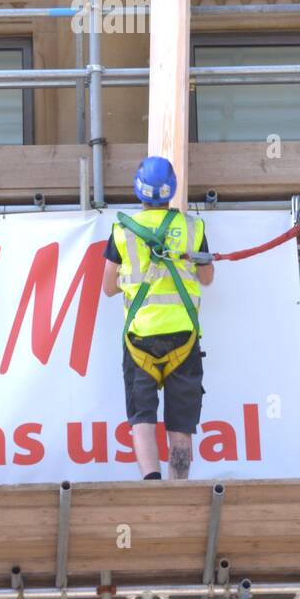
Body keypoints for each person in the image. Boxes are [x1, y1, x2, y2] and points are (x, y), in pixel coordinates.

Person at [102, 156, 215, 481]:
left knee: (143, 419)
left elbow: (108, 287)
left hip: (140, 337)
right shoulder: (192, 229)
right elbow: (206, 278)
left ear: (138, 190)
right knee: (181, 425)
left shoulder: (122, 231)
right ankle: (179, 490)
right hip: (183, 336)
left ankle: (152, 487)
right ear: (172, 190)